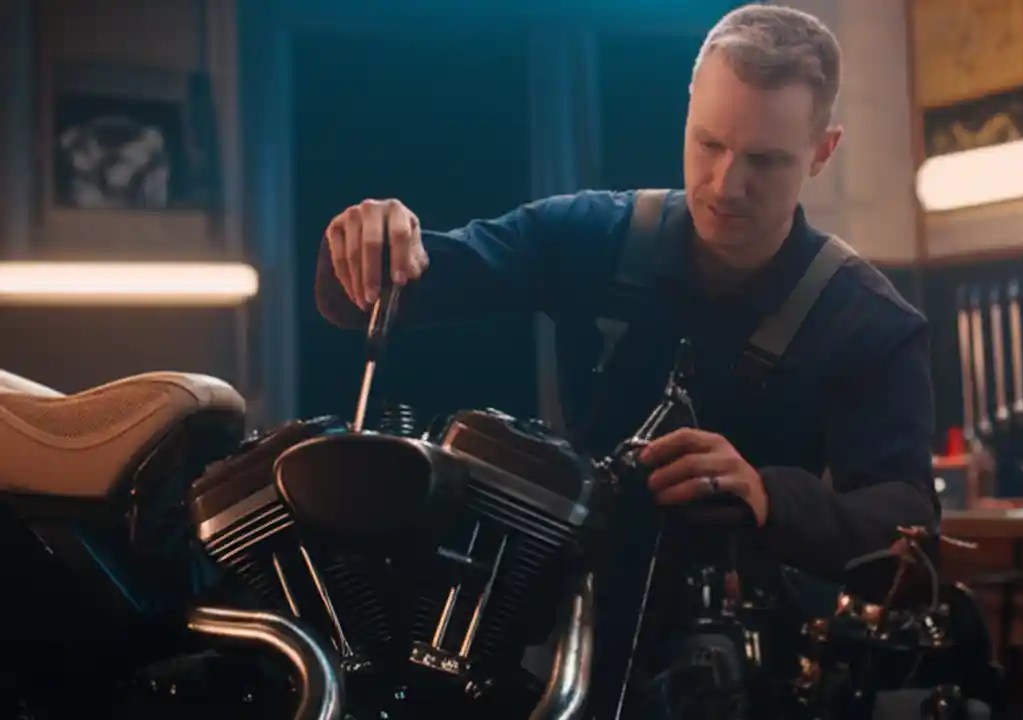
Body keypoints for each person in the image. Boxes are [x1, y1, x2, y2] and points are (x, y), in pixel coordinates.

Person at [315, 2, 938, 713]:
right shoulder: (589, 237)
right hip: (562, 629)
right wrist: (368, 245)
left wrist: (769, 495)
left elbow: (907, 526)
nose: (726, 185)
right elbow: (412, 280)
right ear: (688, 115)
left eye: (765, 160)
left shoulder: (869, 322)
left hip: (753, 655)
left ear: (823, 152)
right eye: (709, 144)